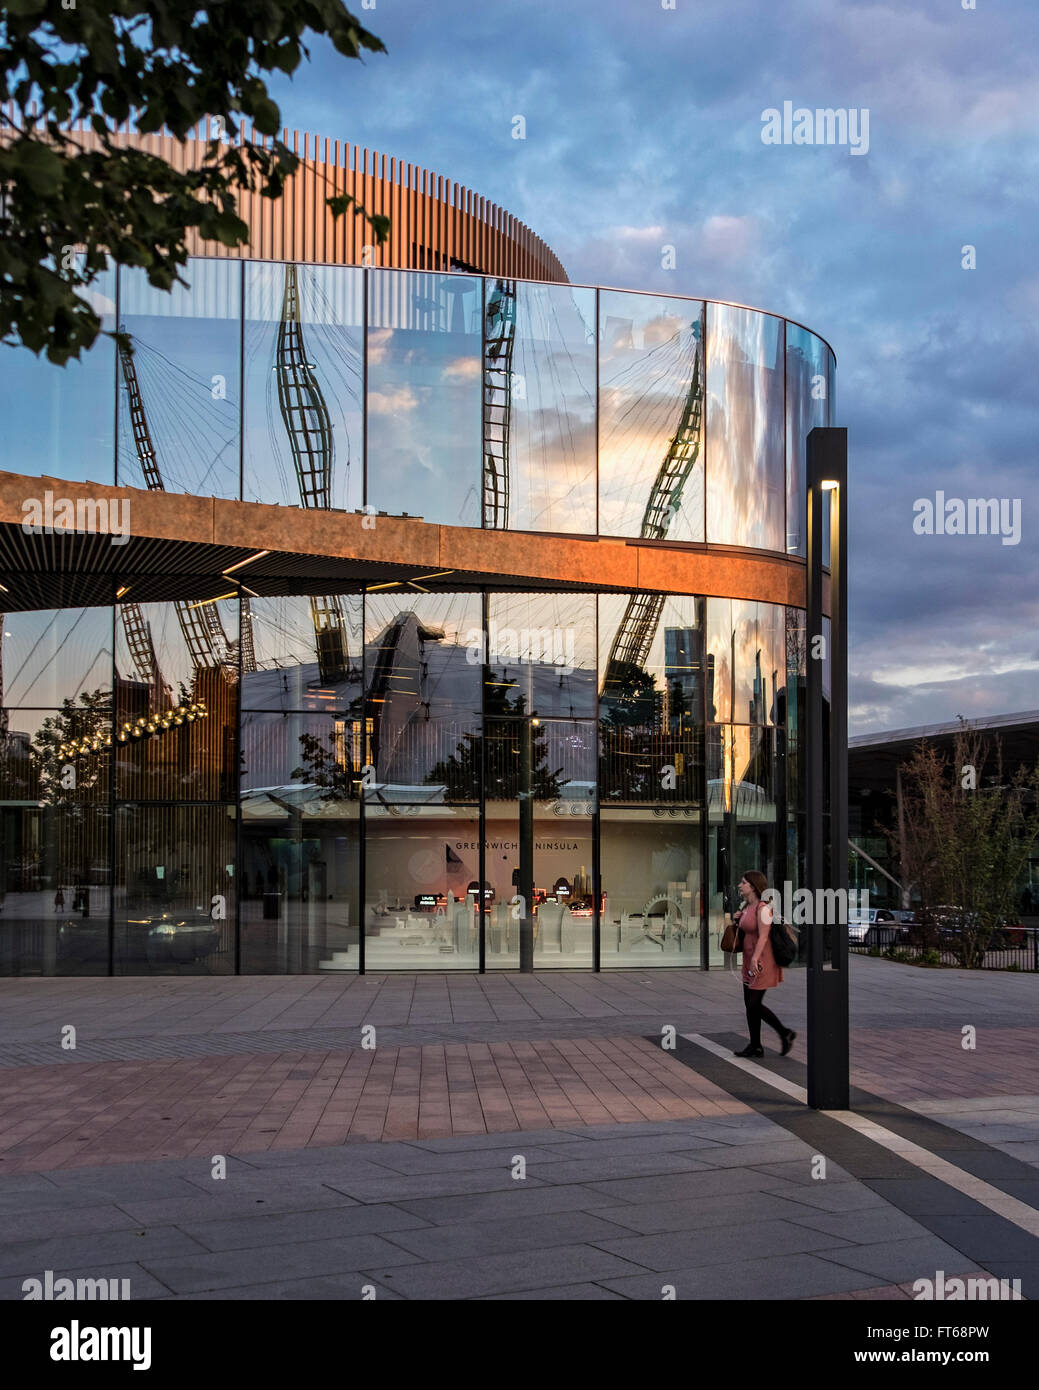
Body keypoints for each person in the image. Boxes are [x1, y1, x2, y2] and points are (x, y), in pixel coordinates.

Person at [733, 869, 796, 1058]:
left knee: (753, 1004)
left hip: (762, 961)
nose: (740, 885)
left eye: (743, 882)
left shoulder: (763, 908)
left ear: (752, 886)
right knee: (749, 1004)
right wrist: (737, 920)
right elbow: (747, 931)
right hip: (749, 960)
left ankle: (785, 1033)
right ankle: (756, 1045)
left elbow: (763, 936)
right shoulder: (746, 907)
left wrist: (755, 959)